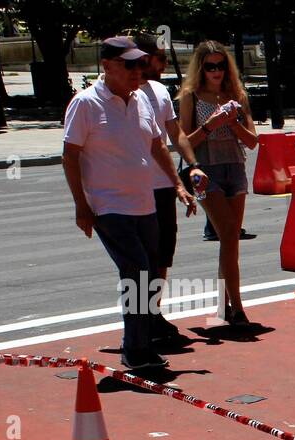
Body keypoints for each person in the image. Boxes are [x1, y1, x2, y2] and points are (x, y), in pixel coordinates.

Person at [62, 36, 198, 371]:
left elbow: (157, 146)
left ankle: (142, 339)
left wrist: (178, 184)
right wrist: (81, 205)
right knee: (136, 271)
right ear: (107, 66)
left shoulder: (140, 100)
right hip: (108, 206)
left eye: (141, 63)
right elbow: (70, 156)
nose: (138, 70)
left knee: (148, 275)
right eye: (130, 64)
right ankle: (135, 349)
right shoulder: (86, 103)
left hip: (145, 203)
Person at [179, 40, 259, 326]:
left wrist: (233, 121)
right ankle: (236, 308)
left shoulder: (236, 94)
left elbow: (252, 141)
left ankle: (225, 306)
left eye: (221, 65)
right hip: (206, 170)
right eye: (210, 66)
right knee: (227, 234)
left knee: (230, 239)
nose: (216, 71)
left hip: (235, 167)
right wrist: (211, 124)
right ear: (201, 68)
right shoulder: (191, 96)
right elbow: (183, 143)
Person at [133, 32, 202, 330]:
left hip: (163, 186)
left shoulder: (160, 91)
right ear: (143, 57)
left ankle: (152, 316)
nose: (163, 64)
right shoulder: (125, 93)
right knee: (137, 262)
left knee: (162, 256)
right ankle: (137, 324)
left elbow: (176, 135)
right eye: (159, 58)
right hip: (133, 190)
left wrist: (194, 166)